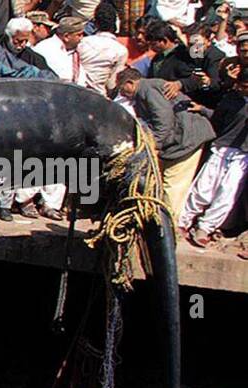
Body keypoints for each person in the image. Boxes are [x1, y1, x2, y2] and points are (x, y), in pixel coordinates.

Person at [117, 67, 215, 222]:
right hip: (178, 138)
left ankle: (168, 224)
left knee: (174, 183)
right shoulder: (145, 91)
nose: (121, 94)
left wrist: (154, 144)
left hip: (188, 137)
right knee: (163, 180)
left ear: (130, 83)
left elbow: (163, 120)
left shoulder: (147, 89)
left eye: (121, 89)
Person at [180, 70, 248, 247]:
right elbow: (217, 119)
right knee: (204, 187)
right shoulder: (231, 99)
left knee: (228, 191)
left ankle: (206, 227)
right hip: (222, 147)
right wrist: (202, 110)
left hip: (243, 154)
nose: (243, 89)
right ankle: (184, 221)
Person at [75, 3, 127, 96]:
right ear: (115, 24)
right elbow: (112, 84)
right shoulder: (120, 50)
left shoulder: (82, 43)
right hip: (99, 97)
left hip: (77, 92)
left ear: (95, 23)